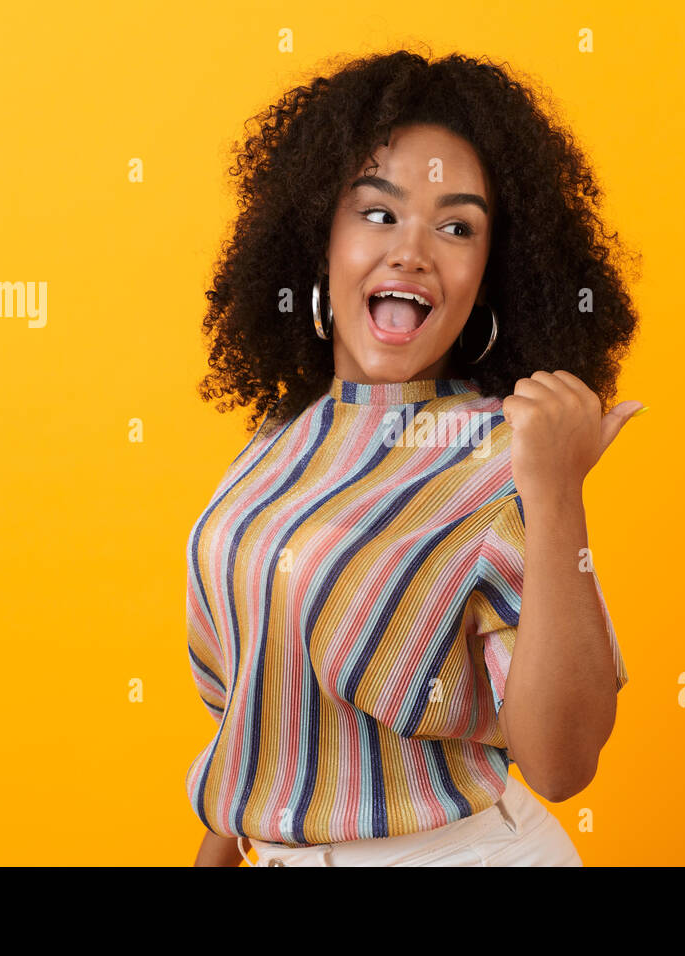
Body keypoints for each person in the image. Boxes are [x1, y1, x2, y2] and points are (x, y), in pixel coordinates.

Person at [188, 48, 644, 866]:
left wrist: (556, 495)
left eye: (457, 225)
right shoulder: (278, 440)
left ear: (489, 275)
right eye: (378, 212)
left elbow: (562, 762)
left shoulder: (506, 457)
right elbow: (257, 714)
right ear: (318, 237)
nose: (413, 252)